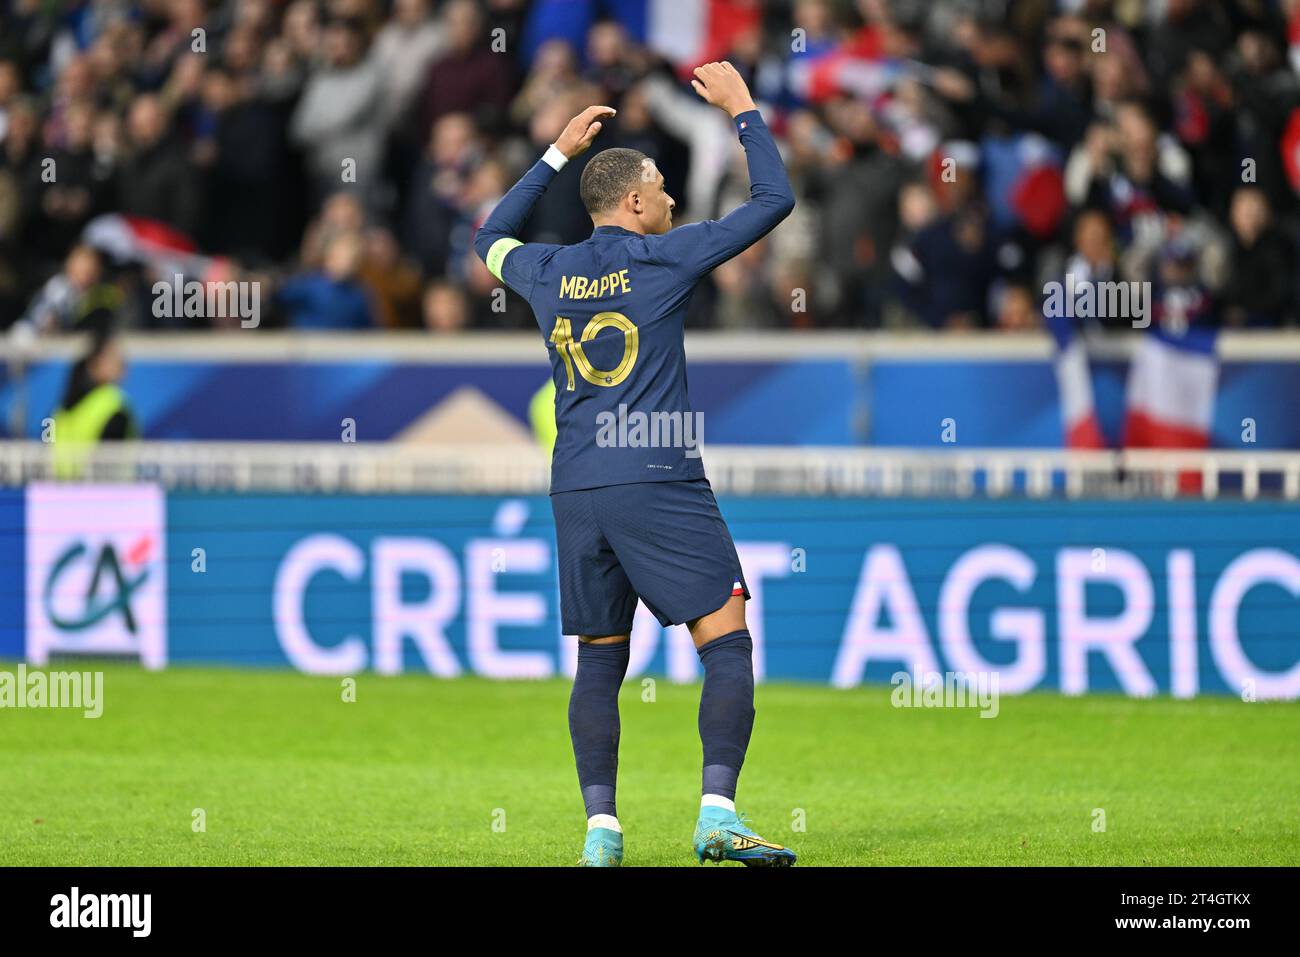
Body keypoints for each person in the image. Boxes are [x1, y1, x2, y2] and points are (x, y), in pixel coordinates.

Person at [474, 62, 796, 867]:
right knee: (726, 640)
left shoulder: (547, 271)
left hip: (576, 485)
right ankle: (717, 813)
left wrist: (551, 154)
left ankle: (601, 833)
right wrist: (744, 111)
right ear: (635, 202)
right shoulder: (664, 259)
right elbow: (773, 200)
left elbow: (486, 238)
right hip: (656, 474)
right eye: (661, 185)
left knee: (598, 659)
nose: (674, 198)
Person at [51, 325, 137, 479]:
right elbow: (109, 463)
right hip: (103, 496)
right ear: (94, 364)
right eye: (113, 357)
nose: (122, 363)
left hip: (58, 495)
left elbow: (46, 446)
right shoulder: (114, 404)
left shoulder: (59, 411)